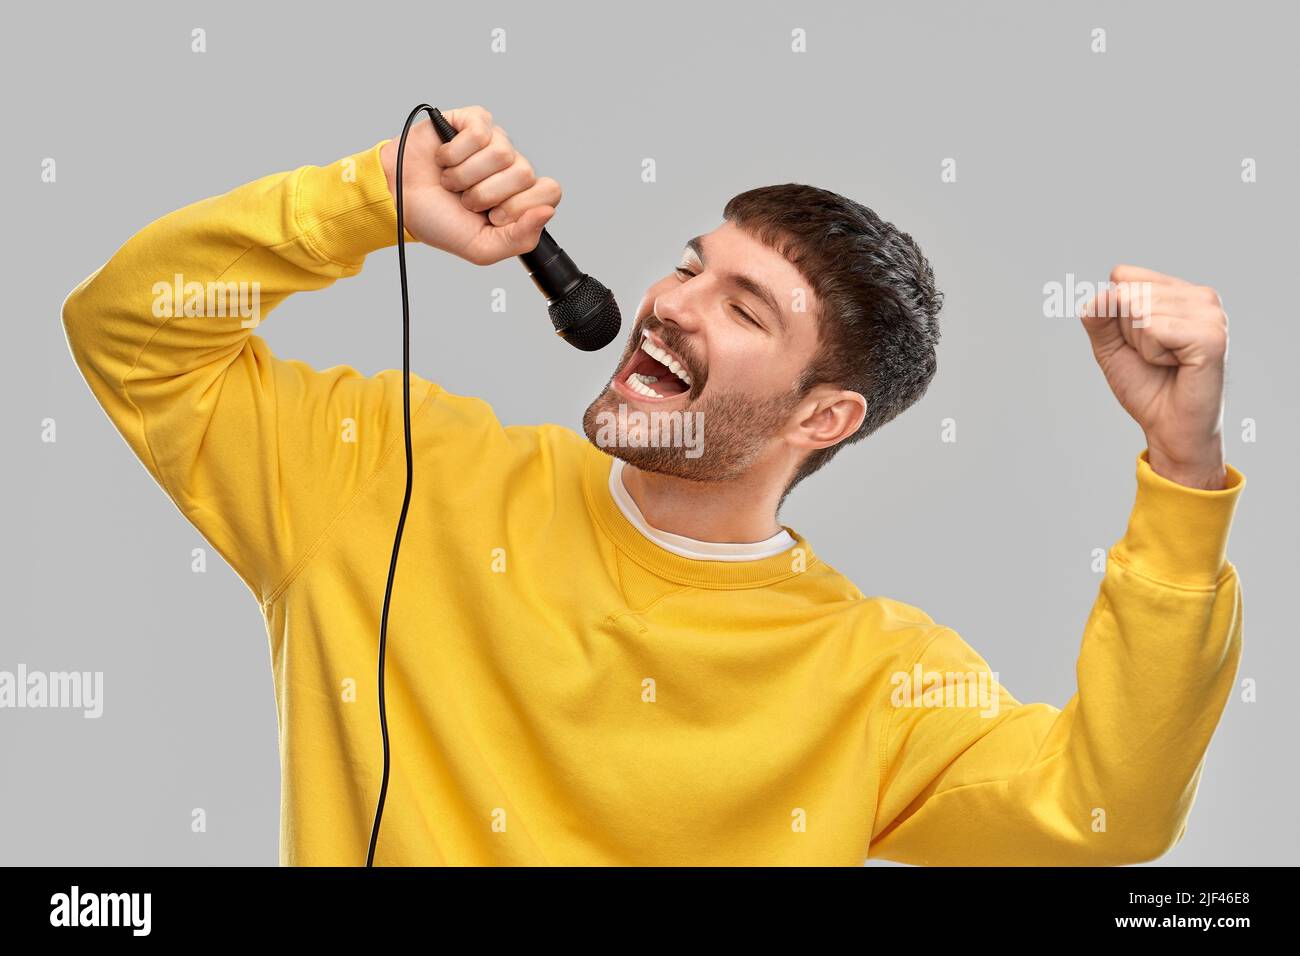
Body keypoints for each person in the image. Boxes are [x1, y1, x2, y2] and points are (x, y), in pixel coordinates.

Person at [61, 105, 1244, 866]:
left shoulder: (876, 675)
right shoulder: (394, 472)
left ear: (821, 417)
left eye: (742, 308)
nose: (673, 301)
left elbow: (1109, 811)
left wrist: (1181, 473)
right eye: (690, 266)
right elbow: (130, 333)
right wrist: (364, 198)